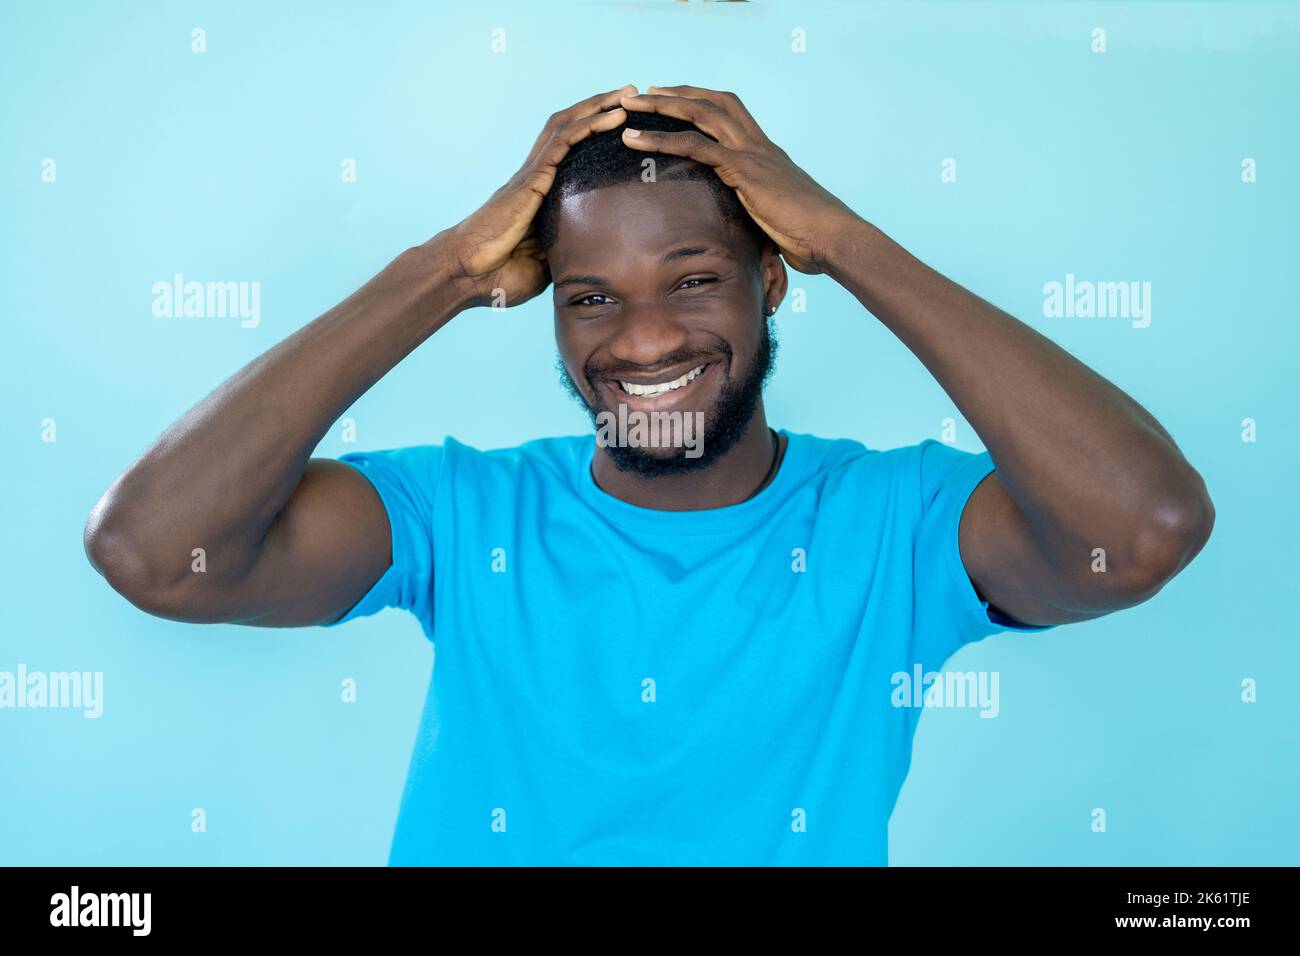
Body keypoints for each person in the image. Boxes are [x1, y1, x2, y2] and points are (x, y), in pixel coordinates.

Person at [84, 84, 1214, 865]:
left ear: (773, 281)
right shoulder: (463, 512)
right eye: (591, 296)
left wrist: (845, 239)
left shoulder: (897, 524)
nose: (644, 339)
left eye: (693, 279)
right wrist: (444, 272)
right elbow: (154, 551)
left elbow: (1143, 530)